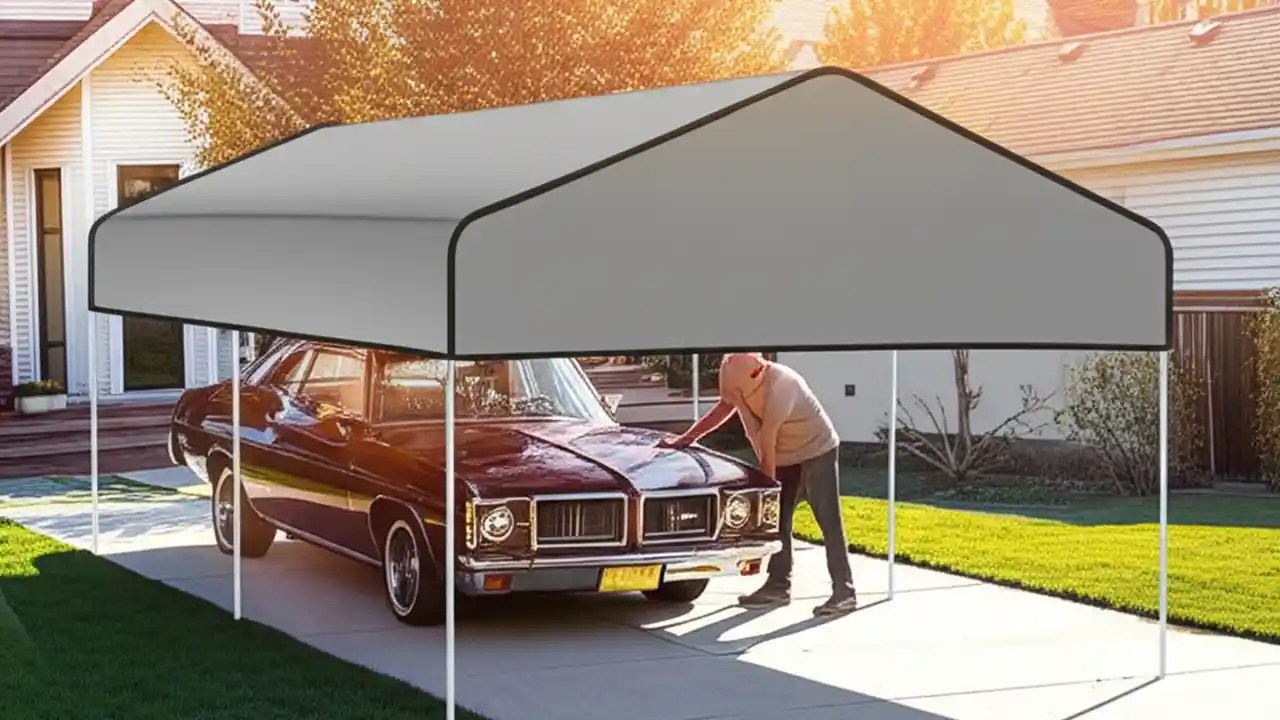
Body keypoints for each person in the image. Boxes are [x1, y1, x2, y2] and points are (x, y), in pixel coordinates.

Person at [660, 353, 857, 615]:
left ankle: (845, 593)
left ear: (755, 376)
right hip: (787, 455)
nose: (732, 395)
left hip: (817, 451)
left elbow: (765, 441)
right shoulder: (742, 380)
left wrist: (767, 488)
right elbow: (724, 408)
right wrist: (685, 439)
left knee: (829, 522)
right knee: (777, 522)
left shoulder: (782, 386)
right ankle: (778, 587)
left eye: (737, 392)